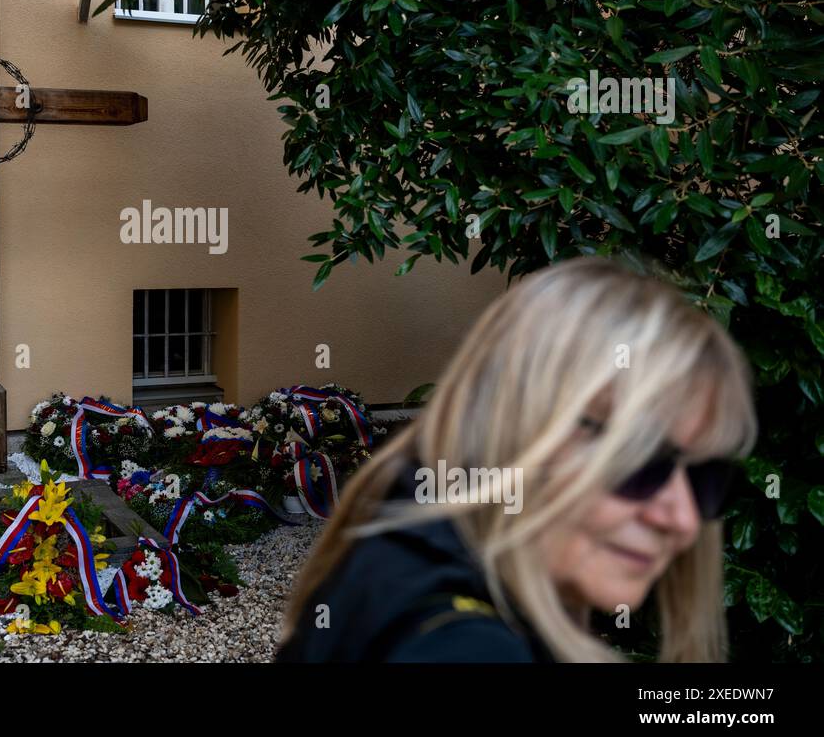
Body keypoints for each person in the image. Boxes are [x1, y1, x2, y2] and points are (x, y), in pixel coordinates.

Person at [276, 256, 756, 662]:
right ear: (522, 431)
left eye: (707, 478)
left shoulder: (400, 557)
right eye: (639, 459)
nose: (682, 518)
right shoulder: (464, 647)